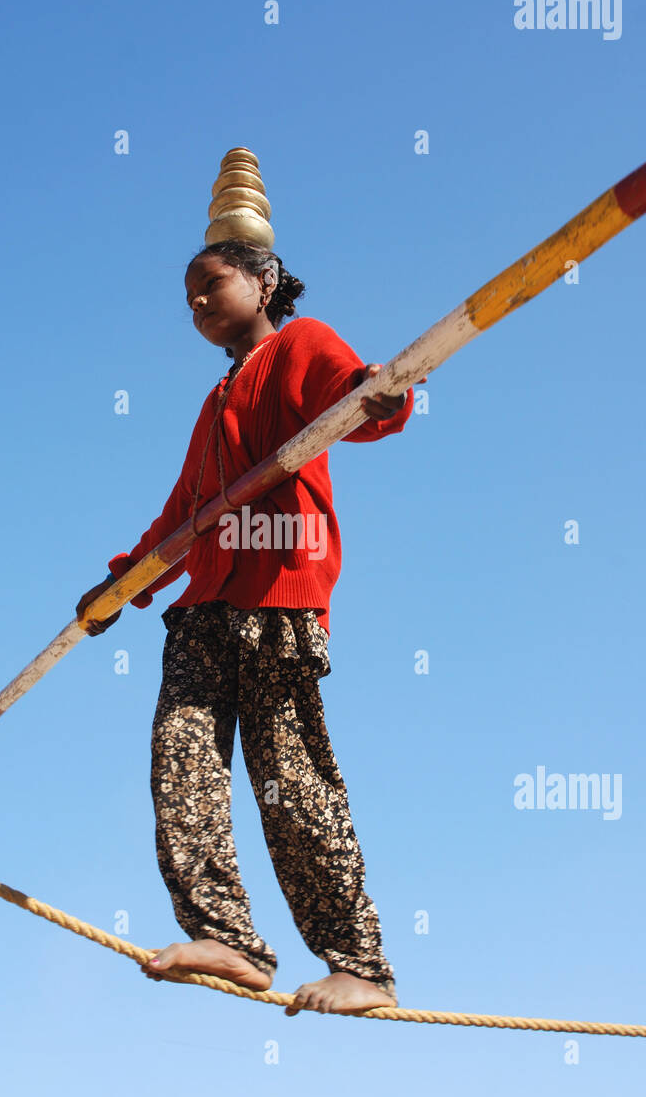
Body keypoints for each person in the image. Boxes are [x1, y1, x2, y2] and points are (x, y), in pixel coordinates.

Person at [76, 239, 422, 1015]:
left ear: (264, 282)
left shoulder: (299, 343)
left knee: (287, 776)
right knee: (181, 760)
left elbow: (351, 398)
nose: (196, 302)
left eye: (211, 283)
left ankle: (360, 963)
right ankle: (225, 935)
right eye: (187, 295)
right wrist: (122, 584)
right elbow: (184, 514)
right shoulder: (215, 402)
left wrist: (381, 395)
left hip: (276, 595)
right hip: (202, 609)